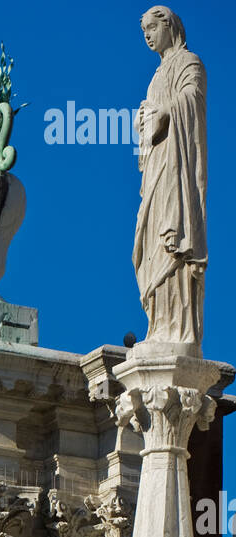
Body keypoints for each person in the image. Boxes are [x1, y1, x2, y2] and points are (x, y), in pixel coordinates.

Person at [133, 8, 207, 347]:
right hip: (156, 170)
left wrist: (165, 111)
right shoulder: (155, 75)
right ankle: (159, 325)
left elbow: (192, 100)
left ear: (169, 25)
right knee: (152, 241)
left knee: (172, 239)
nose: (148, 36)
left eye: (152, 28)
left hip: (177, 169)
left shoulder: (189, 62)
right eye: (143, 31)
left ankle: (177, 329)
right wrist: (144, 120)